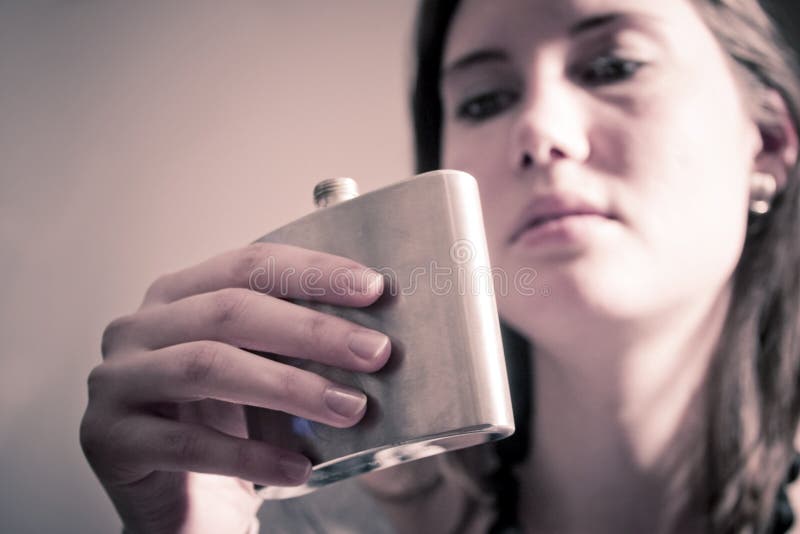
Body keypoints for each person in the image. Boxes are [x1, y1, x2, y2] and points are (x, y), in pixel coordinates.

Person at [79, 0, 800, 532]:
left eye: (613, 66)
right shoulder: (302, 520)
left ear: (767, 141)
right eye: (484, 100)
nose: (539, 131)